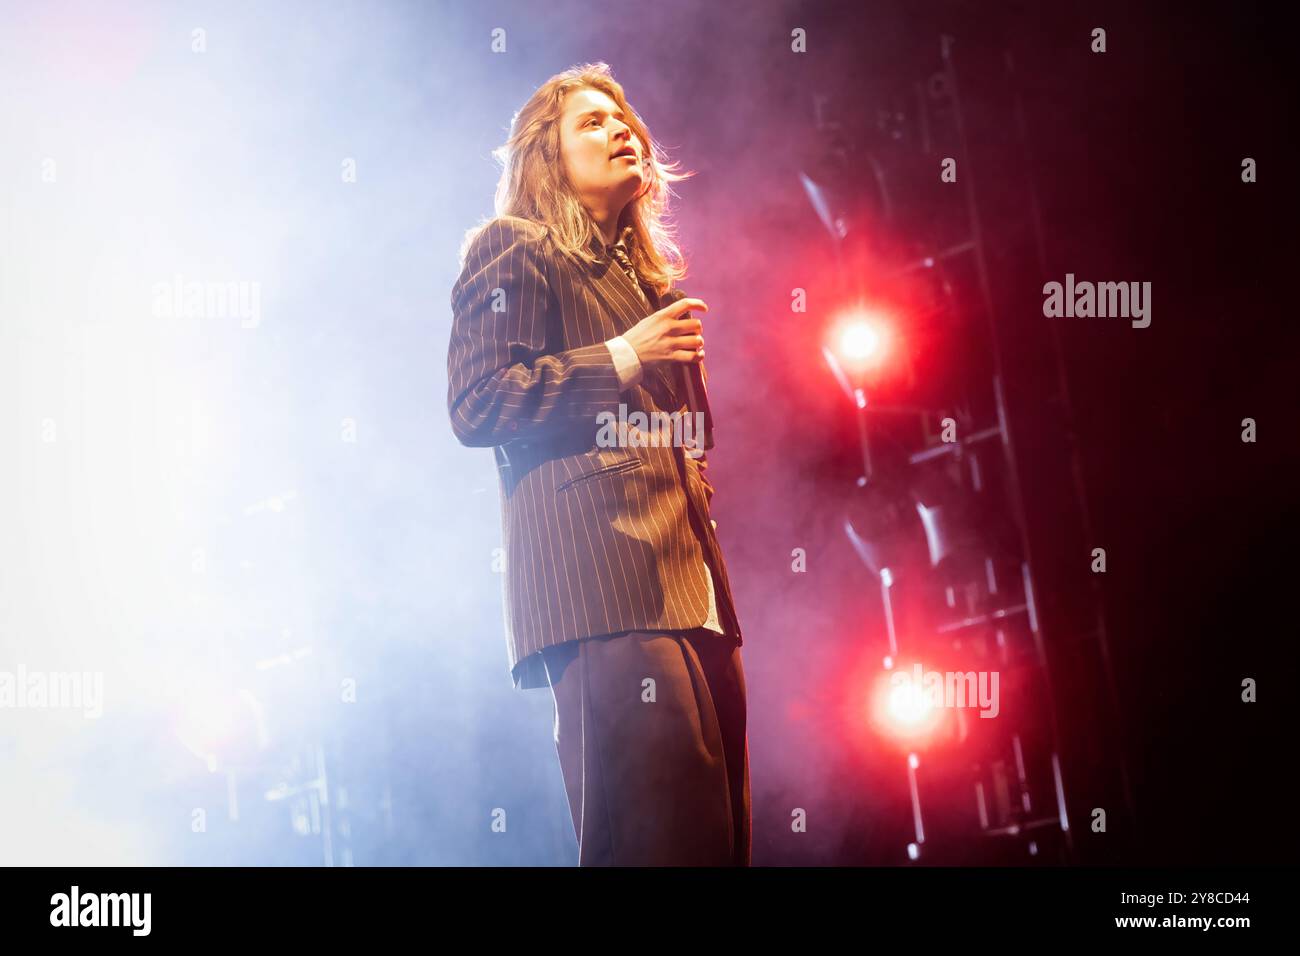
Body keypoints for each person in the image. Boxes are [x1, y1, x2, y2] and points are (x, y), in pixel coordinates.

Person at [447, 62, 749, 866]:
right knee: (651, 843)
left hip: (693, 592)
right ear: (545, 156)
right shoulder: (513, 248)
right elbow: (478, 404)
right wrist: (623, 356)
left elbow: (687, 444)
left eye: (625, 121)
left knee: (713, 846)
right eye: (592, 122)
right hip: (601, 585)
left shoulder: (648, 286)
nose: (621, 130)